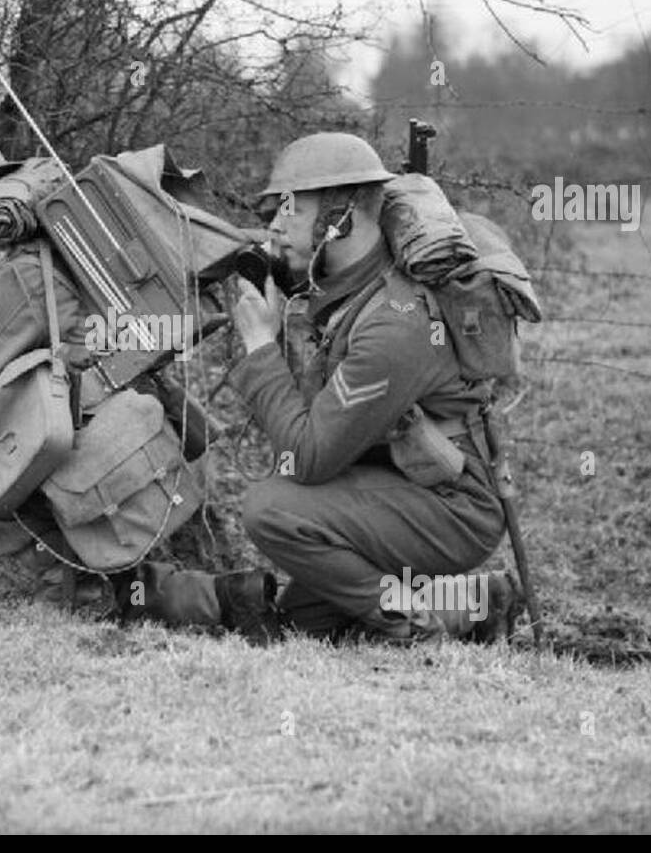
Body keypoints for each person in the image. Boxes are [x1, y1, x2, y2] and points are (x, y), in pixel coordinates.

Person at [0, 134, 280, 630]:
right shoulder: (29, 254)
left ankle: (68, 595)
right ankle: (230, 598)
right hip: (118, 432)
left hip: (98, 444)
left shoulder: (8, 277)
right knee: (125, 585)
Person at [217, 132, 520, 644]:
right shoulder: (351, 287)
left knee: (270, 509)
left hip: (451, 506)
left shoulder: (394, 321)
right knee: (302, 628)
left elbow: (309, 455)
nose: (275, 225)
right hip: (400, 482)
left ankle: (413, 623)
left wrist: (259, 345)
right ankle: (477, 602)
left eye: (290, 209)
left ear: (341, 215)